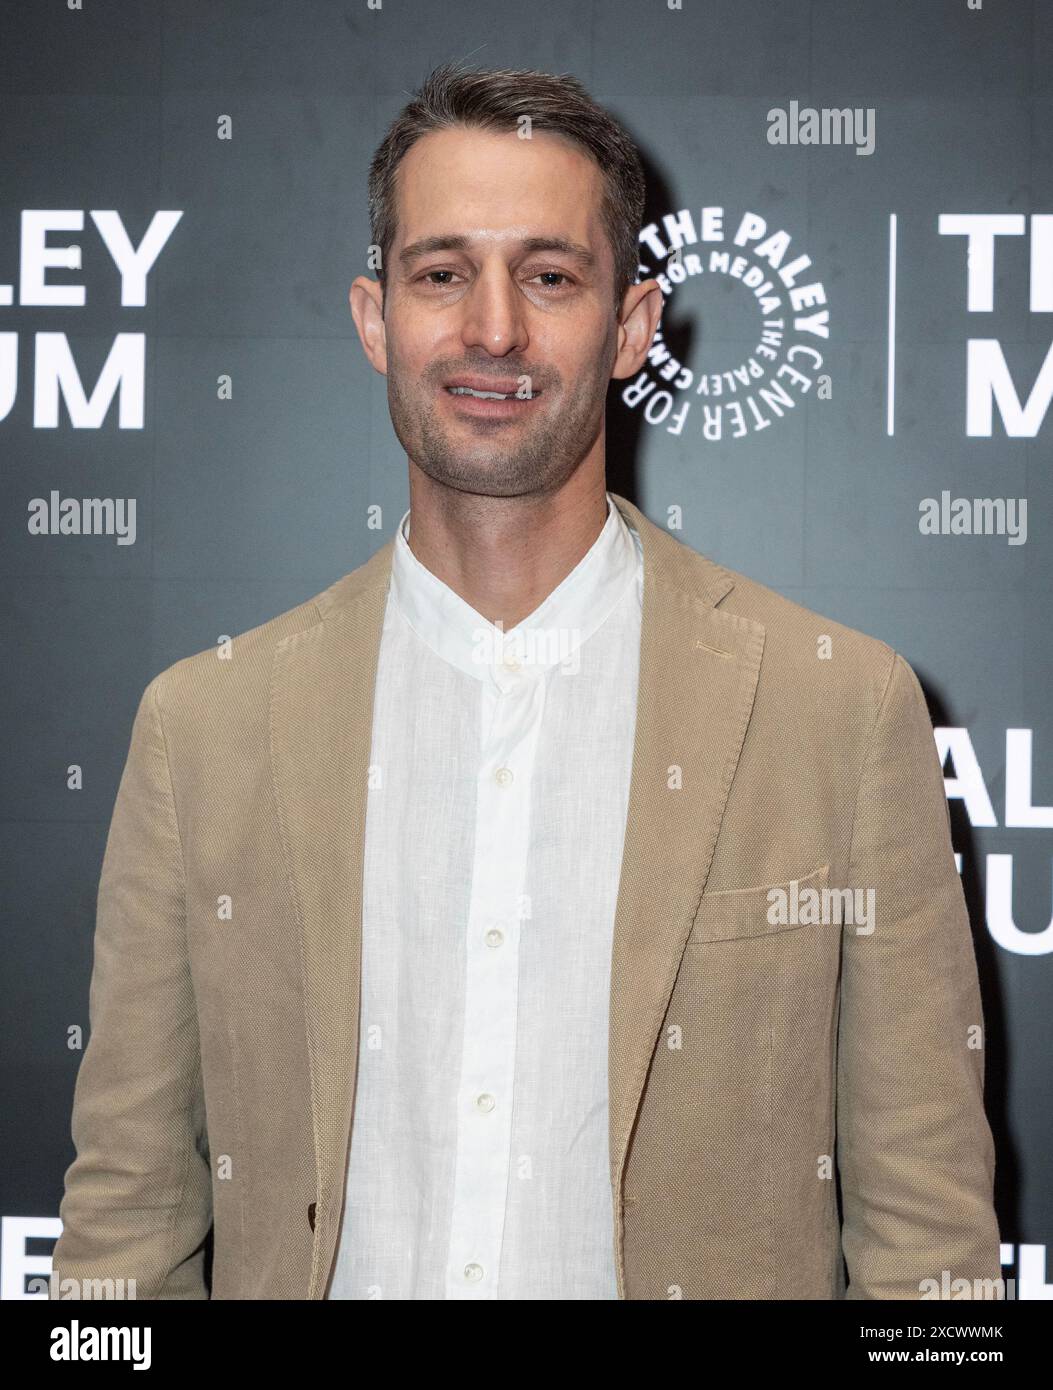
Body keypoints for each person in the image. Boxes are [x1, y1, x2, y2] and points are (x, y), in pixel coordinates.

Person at [50, 62, 1000, 1301]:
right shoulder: (204, 727)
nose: (491, 328)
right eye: (441, 274)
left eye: (549, 277)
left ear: (632, 325)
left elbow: (931, 1260)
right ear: (373, 315)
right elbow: (122, 1238)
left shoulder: (844, 709)